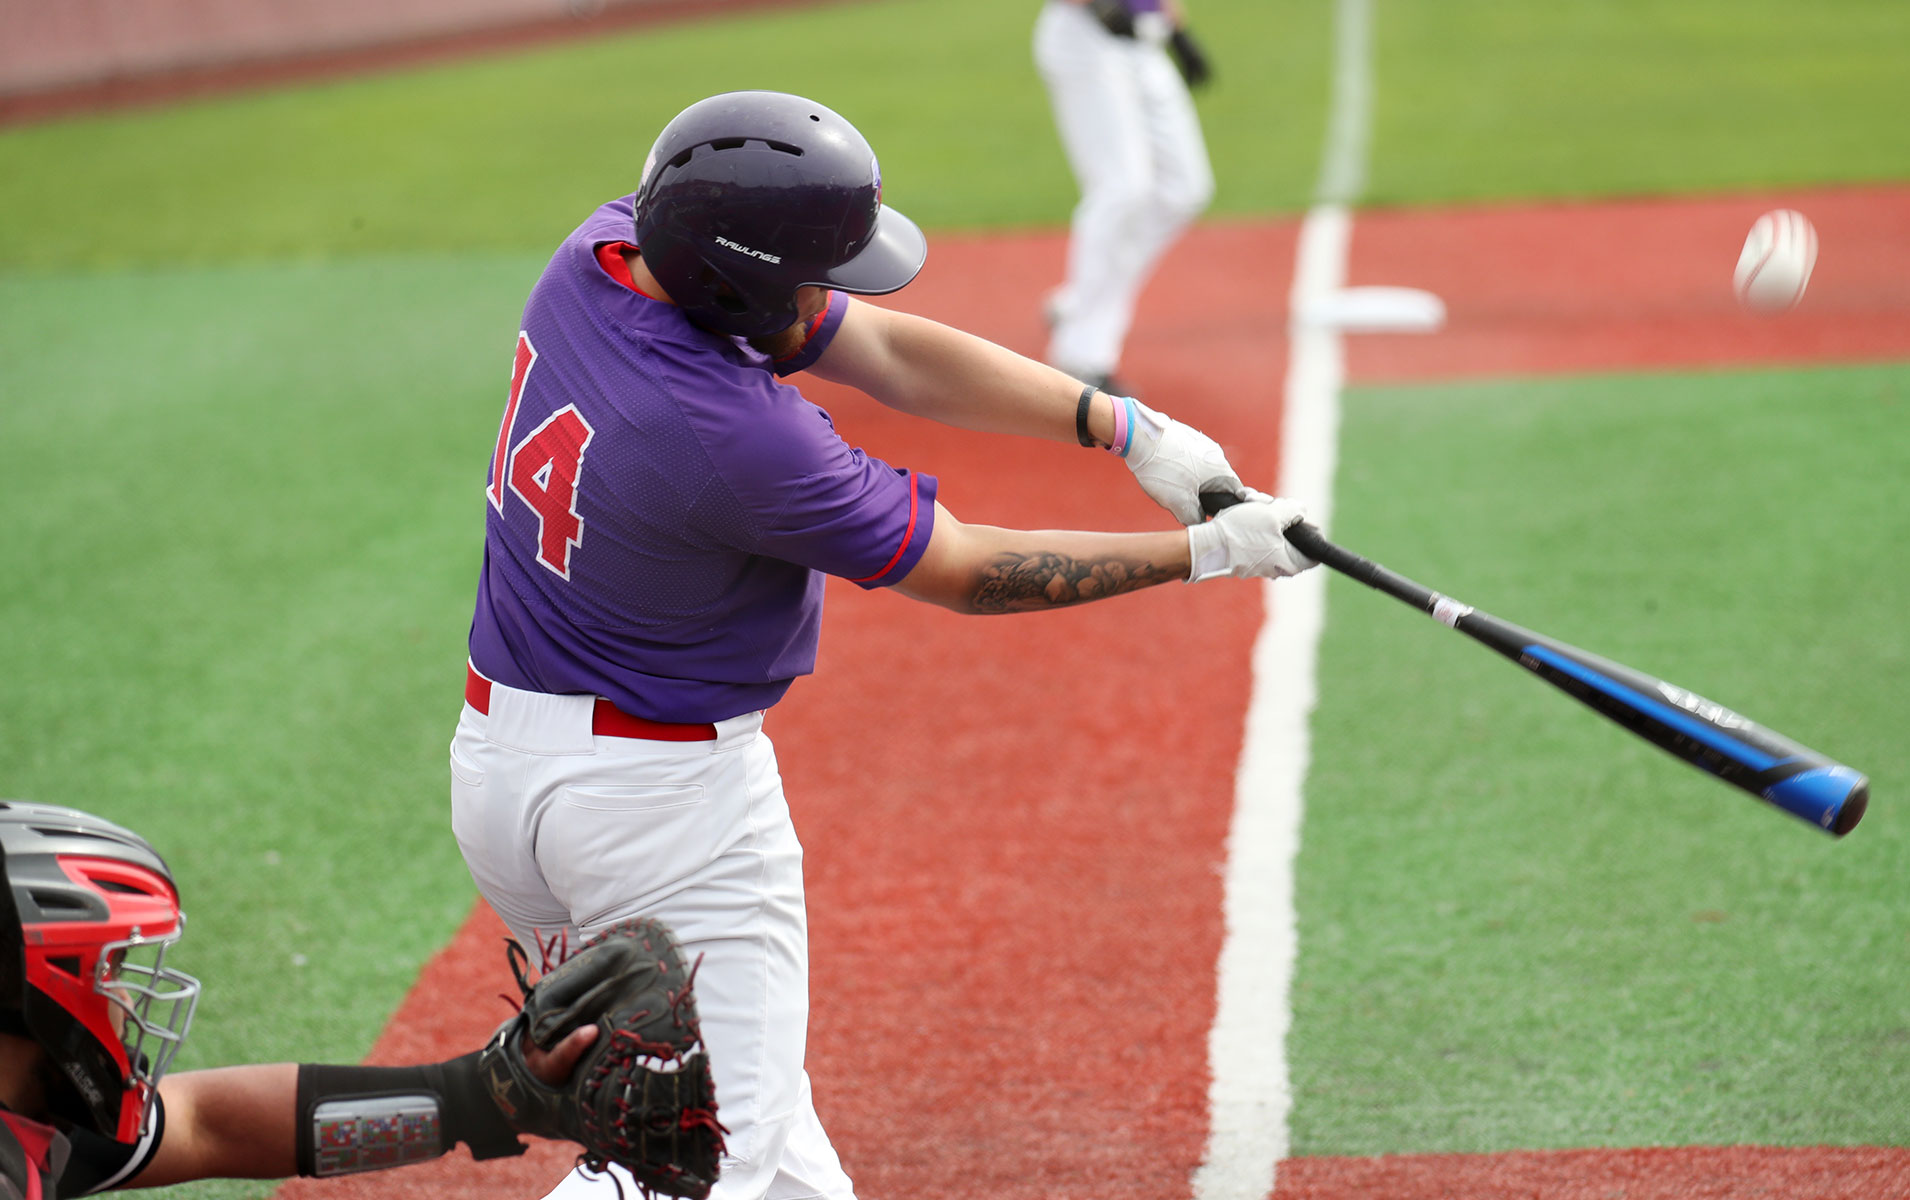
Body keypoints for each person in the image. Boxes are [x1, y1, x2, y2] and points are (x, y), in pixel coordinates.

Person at [448, 89, 1314, 1200]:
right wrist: (1202, 554)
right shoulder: (734, 435)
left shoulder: (605, 252)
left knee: (782, 1160)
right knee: (697, 1157)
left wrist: (1120, 427)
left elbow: (888, 350)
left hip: (509, 775)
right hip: (659, 811)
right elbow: (963, 569)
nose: (827, 295)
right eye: (810, 274)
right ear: (741, 281)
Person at [0, 799, 638, 1198]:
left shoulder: (28, 1128)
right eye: (108, 967)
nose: (122, 1000)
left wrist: (486, 1099)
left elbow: (206, 1125)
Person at [1034, 0, 1215, 394]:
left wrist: (1179, 32)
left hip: (1143, 41)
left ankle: (1082, 300)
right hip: (1087, 39)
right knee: (1122, 189)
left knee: (1185, 189)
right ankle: (1080, 356)